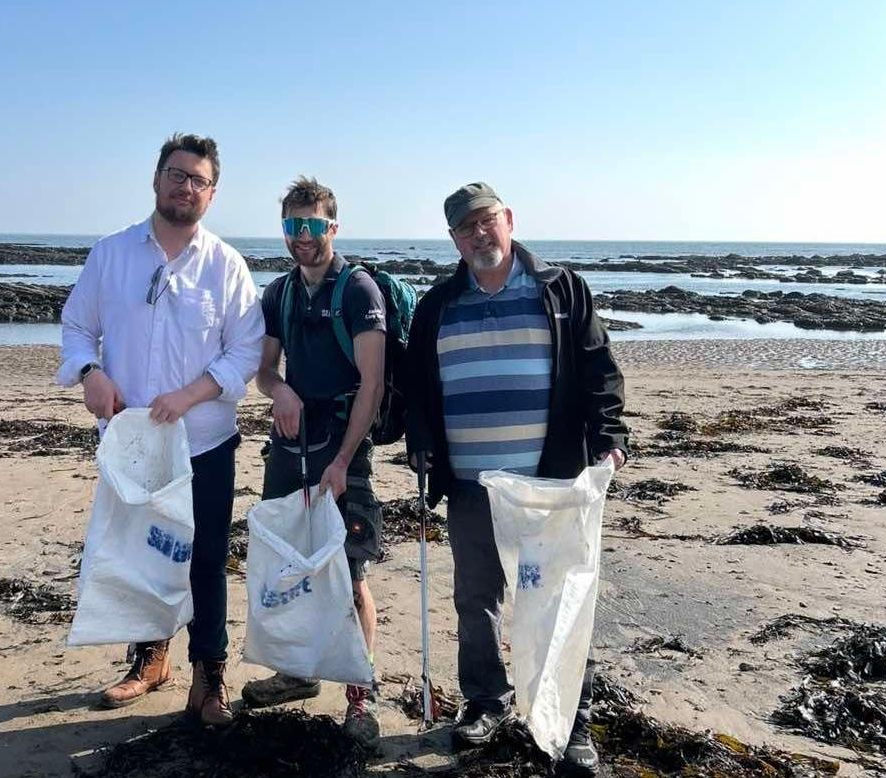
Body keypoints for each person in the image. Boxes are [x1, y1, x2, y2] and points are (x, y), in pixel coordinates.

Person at [403, 182, 628, 775]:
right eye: (465, 228)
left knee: (557, 600)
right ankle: (485, 701)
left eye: (487, 221)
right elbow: (417, 392)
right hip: (472, 486)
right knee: (476, 601)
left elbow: (601, 368)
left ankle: (570, 719)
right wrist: (421, 447)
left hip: (548, 486)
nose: (479, 234)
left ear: (508, 220)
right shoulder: (438, 304)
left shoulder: (561, 290)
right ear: (454, 239)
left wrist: (610, 440)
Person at [57, 133, 264, 726]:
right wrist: (91, 373)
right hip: (132, 445)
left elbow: (245, 350)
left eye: (198, 180)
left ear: (212, 193)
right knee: (142, 554)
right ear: (156, 179)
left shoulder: (226, 264)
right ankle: (149, 660)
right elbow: (76, 326)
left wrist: (191, 393)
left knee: (204, 558)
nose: (186, 187)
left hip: (204, 441)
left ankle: (210, 674)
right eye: (177, 175)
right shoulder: (112, 254)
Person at [239, 176, 386, 750]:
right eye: (292, 226)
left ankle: (360, 695)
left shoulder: (358, 292)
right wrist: (280, 392)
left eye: (313, 225)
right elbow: (265, 370)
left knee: (350, 573)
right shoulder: (278, 293)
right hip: (289, 448)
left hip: (344, 448)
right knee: (290, 561)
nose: (302, 236)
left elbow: (371, 386)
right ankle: (298, 672)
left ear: (333, 226)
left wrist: (344, 460)